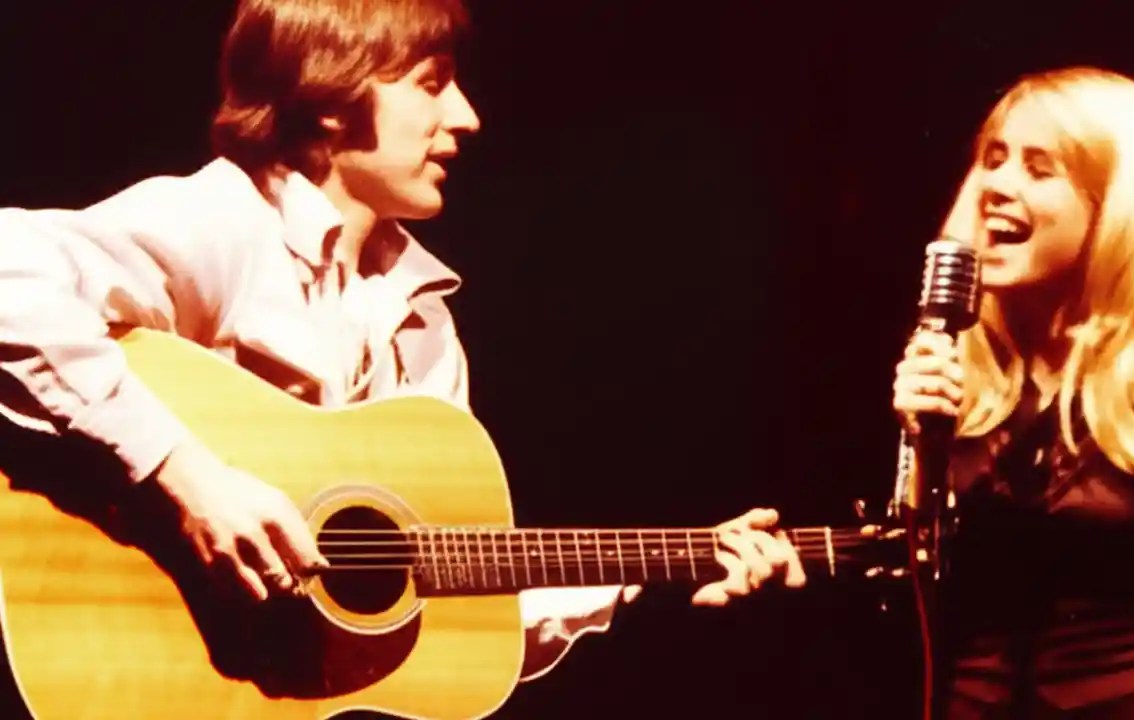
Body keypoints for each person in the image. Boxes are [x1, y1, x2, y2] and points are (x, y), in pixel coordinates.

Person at [0, 0, 806, 694]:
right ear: (330, 95)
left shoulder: (424, 326)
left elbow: (444, 612)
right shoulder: (225, 225)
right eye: (431, 82)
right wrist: (190, 479)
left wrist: (648, 583)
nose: (467, 117)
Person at [890, 66, 1134, 719]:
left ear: (1115, 208)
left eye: (1039, 169)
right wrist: (922, 443)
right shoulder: (955, 346)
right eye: (993, 160)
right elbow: (916, 579)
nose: (996, 187)